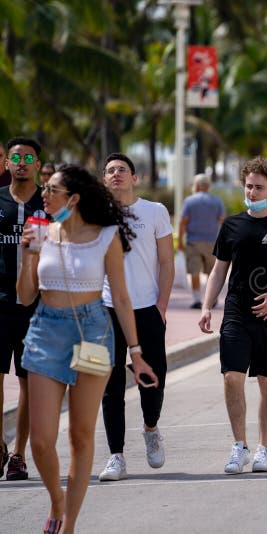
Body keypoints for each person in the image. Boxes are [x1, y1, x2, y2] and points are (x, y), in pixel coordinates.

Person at [17, 165, 157, 534]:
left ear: (74, 198)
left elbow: (122, 298)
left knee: (80, 434)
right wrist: (28, 255)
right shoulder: (41, 233)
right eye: (44, 188)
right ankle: (56, 499)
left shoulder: (106, 235)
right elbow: (26, 296)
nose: (43, 194)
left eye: (52, 189)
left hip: (93, 332)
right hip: (46, 331)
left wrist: (137, 352)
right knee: (41, 440)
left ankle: (69, 524)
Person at [199, 157, 267, 474]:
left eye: (260, 187)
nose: (253, 192)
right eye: (249, 186)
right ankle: (239, 446)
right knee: (232, 376)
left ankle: (263, 449)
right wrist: (207, 305)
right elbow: (219, 270)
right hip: (236, 311)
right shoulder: (232, 225)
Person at [98, 152, 175, 482]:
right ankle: (116, 455)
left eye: (122, 170)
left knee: (153, 382)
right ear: (104, 180)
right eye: (110, 170)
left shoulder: (154, 211)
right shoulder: (94, 215)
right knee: (110, 385)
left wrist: (161, 305)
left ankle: (151, 428)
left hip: (146, 309)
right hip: (106, 310)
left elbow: (167, 262)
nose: (116, 174)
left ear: (134, 178)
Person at [0, 137, 45, 481]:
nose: (22, 162)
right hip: (0, 304)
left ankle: (18, 454)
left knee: (28, 381)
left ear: (38, 166)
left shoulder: (48, 203)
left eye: (29, 158)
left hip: (36, 308)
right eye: (16, 157)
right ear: (7, 164)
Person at [178, 173, 225, 309]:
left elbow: (183, 222)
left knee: (194, 271)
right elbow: (222, 220)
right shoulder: (217, 201)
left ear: (197, 186)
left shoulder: (189, 201)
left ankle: (197, 299)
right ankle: (212, 298)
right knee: (212, 272)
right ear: (208, 186)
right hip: (212, 242)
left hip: (193, 242)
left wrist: (180, 240)